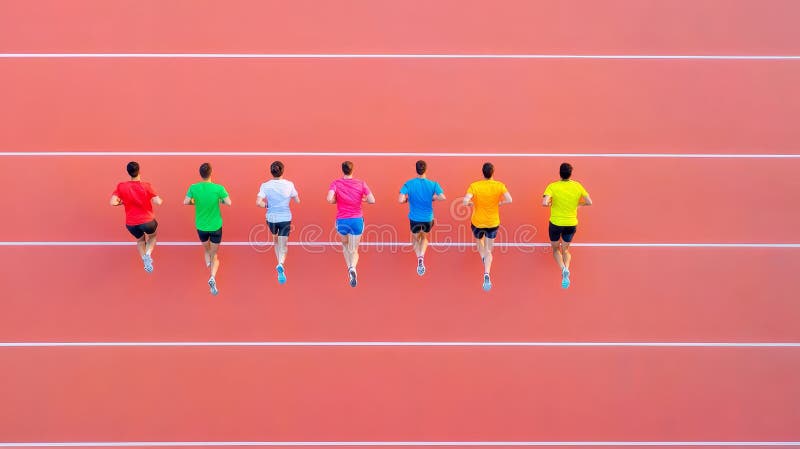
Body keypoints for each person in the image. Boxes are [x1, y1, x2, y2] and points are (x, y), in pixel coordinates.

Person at [463, 162, 512, 291]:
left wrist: (471, 204)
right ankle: (486, 272)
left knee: (479, 242)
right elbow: (509, 199)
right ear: (493, 173)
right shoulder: (499, 185)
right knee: (489, 250)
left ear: (483, 173)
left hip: (478, 222)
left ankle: (484, 258)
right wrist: (500, 203)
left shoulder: (474, 186)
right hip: (492, 223)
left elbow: (465, 201)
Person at [183, 162, 231, 295]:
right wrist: (219, 201)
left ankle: (210, 267)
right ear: (211, 173)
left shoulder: (193, 188)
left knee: (206, 250)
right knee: (214, 255)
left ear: (200, 174)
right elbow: (229, 202)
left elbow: (185, 201)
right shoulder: (218, 188)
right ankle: (212, 276)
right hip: (216, 227)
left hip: (201, 227)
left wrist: (195, 201)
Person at [542, 162, 592, 289]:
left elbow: (544, 202)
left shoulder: (552, 186)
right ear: (570, 174)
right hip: (571, 224)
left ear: (559, 173)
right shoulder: (577, 186)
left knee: (555, 249)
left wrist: (550, 204)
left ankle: (563, 268)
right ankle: (566, 268)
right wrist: (579, 205)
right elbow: (589, 202)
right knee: (565, 250)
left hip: (556, 223)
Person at [327, 161, 375, 287]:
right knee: (353, 249)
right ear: (353, 170)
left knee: (345, 245)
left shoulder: (336, 183)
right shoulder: (361, 183)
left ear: (342, 170)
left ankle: (349, 267)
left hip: (342, 221)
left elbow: (329, 199)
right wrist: (363, 199)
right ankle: (352, 267)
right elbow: (372, 200)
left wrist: (336, 200)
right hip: (356, 221)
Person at [110, 161, 164, 272]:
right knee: (152, 237)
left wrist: (123, 202)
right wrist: (159, 199)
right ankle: (148, 254)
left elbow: (113, 202)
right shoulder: (146, 186)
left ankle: (145, 259)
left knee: (140, 241)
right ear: (139, 171)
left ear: (128, 172)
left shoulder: (121, 186)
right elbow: (158, 202)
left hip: (131, 223)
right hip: (148, 221)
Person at [398, 160, 446, 276]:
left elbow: (400, 200)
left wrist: (407, 199)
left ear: (416, 170)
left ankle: (419, 257)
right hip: (427, 219)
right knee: (424, 237)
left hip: (414, 219)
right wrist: (433, 198)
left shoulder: (408, 184)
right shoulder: (433, 184)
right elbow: (442, 197)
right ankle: (421, 256)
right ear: (426, 170)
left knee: (415, 239)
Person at [256, 160, 300, 284]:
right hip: (285, 218)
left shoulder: (265, 185)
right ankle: (280, 263)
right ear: (283, 171)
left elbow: (258, 202)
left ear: (271, 172)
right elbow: (297, 200)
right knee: (283, 244)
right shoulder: (289, 184)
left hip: (271, 218)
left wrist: (267, 205)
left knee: (275, 240)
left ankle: (279, 262)